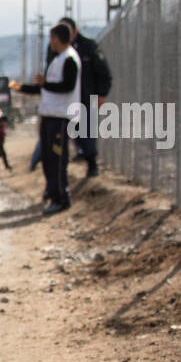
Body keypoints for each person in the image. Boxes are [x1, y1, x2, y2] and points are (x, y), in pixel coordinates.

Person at [19, 23, 81, 215]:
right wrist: (22, 88)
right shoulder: (57, 59)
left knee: (57, 159)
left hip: (61, 117)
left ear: (58, 38)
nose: (50, 41)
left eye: (51, 37)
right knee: (48, 159)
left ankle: (62, 199)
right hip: (50, 115)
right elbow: (46, 88)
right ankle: (53, 194)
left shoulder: (70, 59)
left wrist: (45, 84)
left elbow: (67, 86)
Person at [58, 16, 112, 177]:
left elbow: (103, 72)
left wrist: (102, 93)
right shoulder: (58, 50)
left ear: (75, 31)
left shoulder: (88, 47)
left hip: (87, 96)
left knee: (88, 130)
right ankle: (81, 151)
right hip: (67, 98)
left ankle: (92, 163)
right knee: (74, 130)